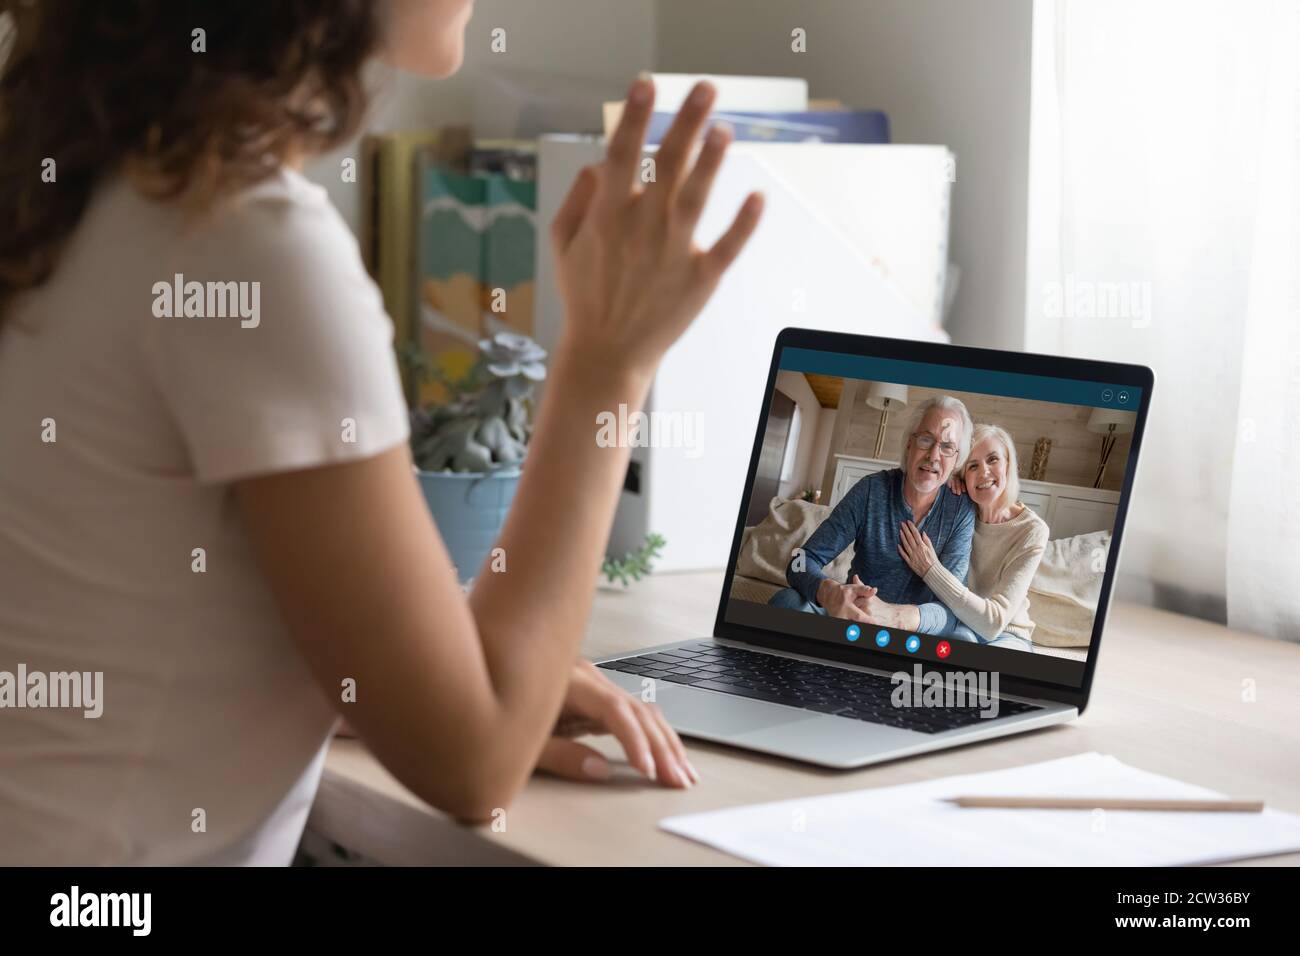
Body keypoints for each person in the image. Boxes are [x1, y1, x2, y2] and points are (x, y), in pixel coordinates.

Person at [0, 1, 764, 864]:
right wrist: (607, 363)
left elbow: (138, 618)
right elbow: (475, 763)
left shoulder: (74, 198)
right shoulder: (249, 242)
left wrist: (419, 673)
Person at [767, 396, 975, 623]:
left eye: (947, 447)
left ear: (956, 460)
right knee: (785, 601)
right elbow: (799, 560)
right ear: (909, 443)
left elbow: (953, 607)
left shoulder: (960, 511)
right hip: (851, 619)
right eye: (926, 439)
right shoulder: (871, 490)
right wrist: (828, 592)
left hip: (909, 634)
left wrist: (891, 615)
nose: (934, 455)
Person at [859, 424, 1049, 652]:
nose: (984, 472)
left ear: (1008, 464)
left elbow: (993, 623)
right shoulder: (959, 513)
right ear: (962, 476)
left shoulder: (1032, 530)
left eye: (993, 460)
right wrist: (944, 485)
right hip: (960, 624)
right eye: (973, 466)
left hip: (1007, 633)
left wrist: (931, 570)